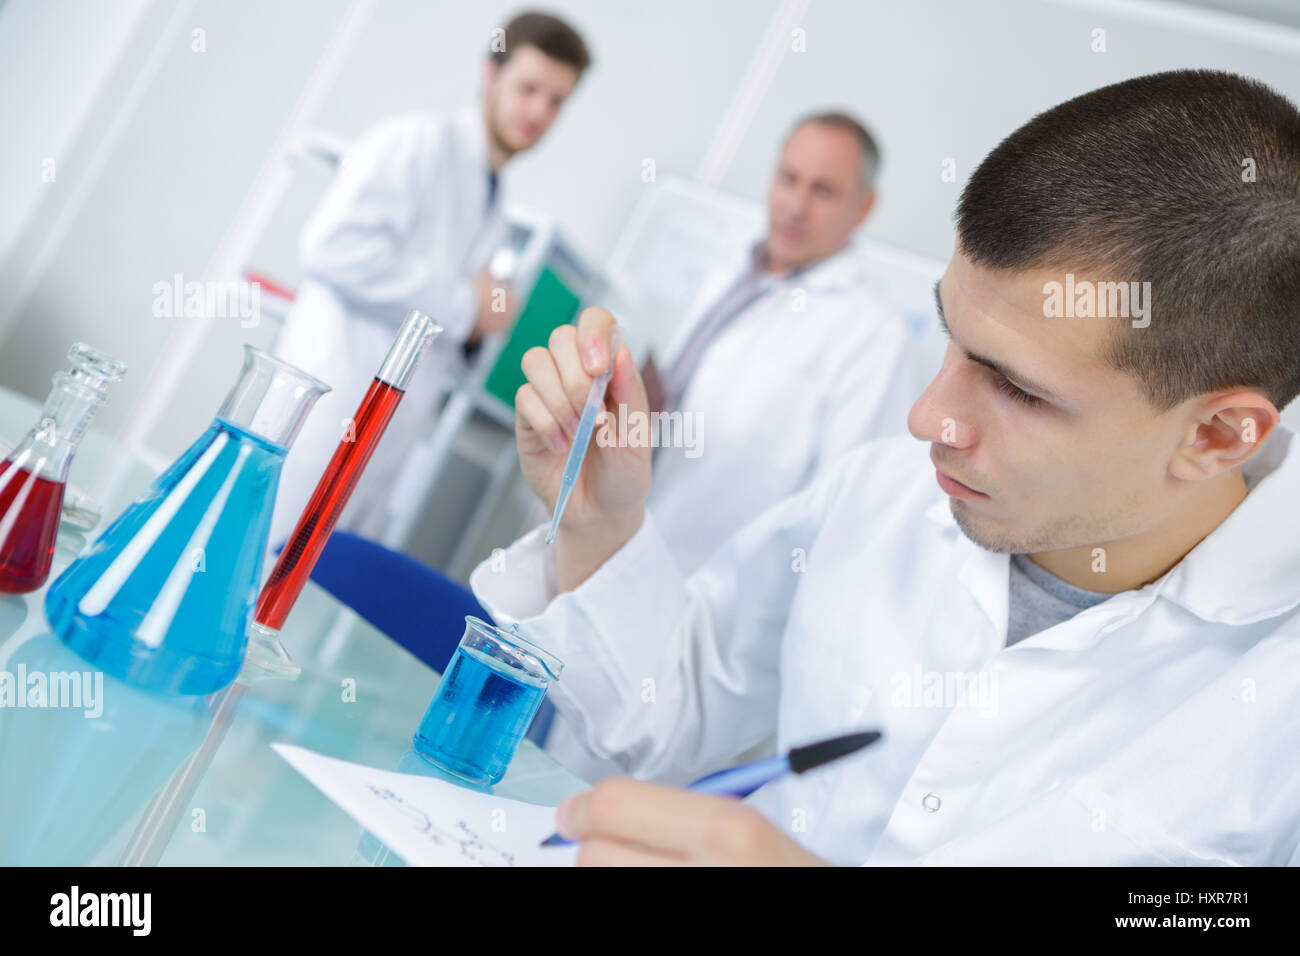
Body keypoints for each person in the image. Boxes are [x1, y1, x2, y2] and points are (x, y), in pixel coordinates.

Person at [470, 69, 1300, 865]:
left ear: (1220, 436)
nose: (926, 418)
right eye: (951, 336)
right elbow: (673, 712)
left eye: (1016, 387)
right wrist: (599, 522)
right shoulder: (881, 495)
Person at [537, 112, 920, 781]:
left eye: (823, 190)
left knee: (597, 801)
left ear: (864, 207)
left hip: (698, 617)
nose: (795, 205)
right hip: (606, 563)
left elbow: (841, 519)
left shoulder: (872, 335)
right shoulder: (729, 272)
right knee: (528, 767)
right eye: (788, 178)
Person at [267, 11, 591, 554]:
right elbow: (333, 247)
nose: (539, 111)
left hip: (381, 445)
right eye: (529, 88)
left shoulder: (494, 199)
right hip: (325, 419)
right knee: (248, 584)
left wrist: (475, 320)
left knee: (303, 601)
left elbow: (451, 319)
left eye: (556, 100)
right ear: (491, 76)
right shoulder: (416, 143)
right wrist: (468, 306)